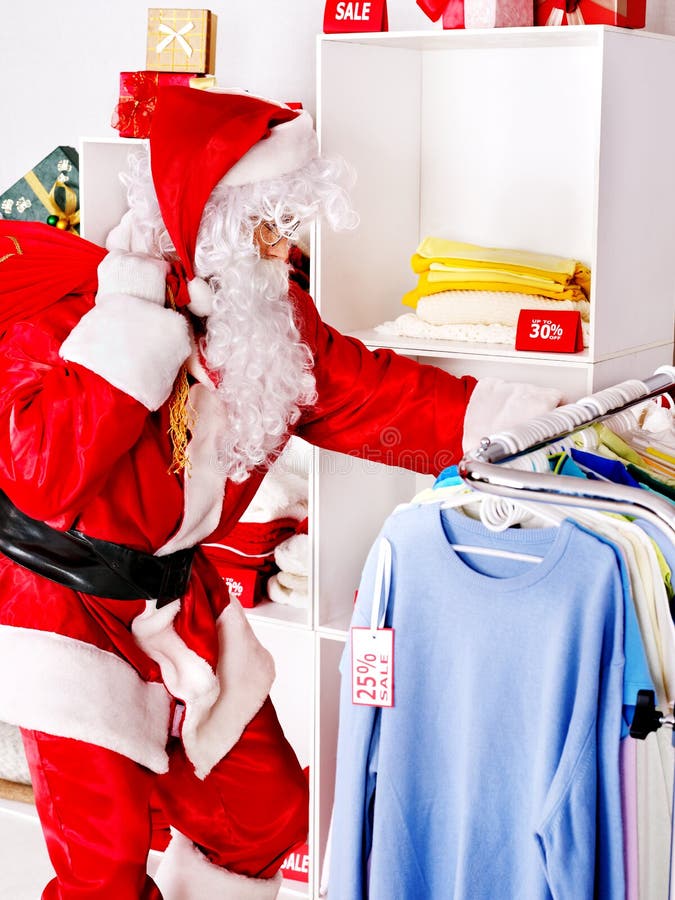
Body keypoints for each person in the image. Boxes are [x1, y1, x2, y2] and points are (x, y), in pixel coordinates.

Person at [0, 87, 562, 899]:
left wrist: (519, 423)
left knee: (266, 818)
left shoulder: (267, 318)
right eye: (265, 225)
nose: (282, 246)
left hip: (176, 606)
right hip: (64, 611)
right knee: (103, 865)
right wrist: (132, 332)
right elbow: (44, 473)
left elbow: (377, 399)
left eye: (289, 223)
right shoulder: (69, 316)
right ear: (207, 222)